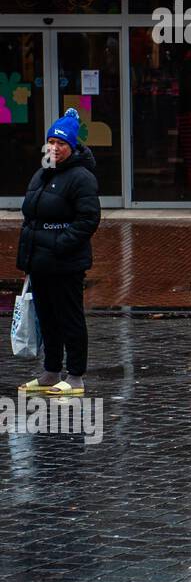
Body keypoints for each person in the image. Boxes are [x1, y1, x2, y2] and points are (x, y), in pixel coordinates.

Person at [16, 108, 101, 396]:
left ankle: (75, 375)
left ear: (72, 146)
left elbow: (88, 220)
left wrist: (59, 244)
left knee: (69, 317)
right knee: (47, 318)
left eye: (61, 143)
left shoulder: (81, 178)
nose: (54, 147)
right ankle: (51, 371)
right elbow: (31, 216)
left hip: (65, 263)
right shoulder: (41, 174)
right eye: (51, 141)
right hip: (39, 262)